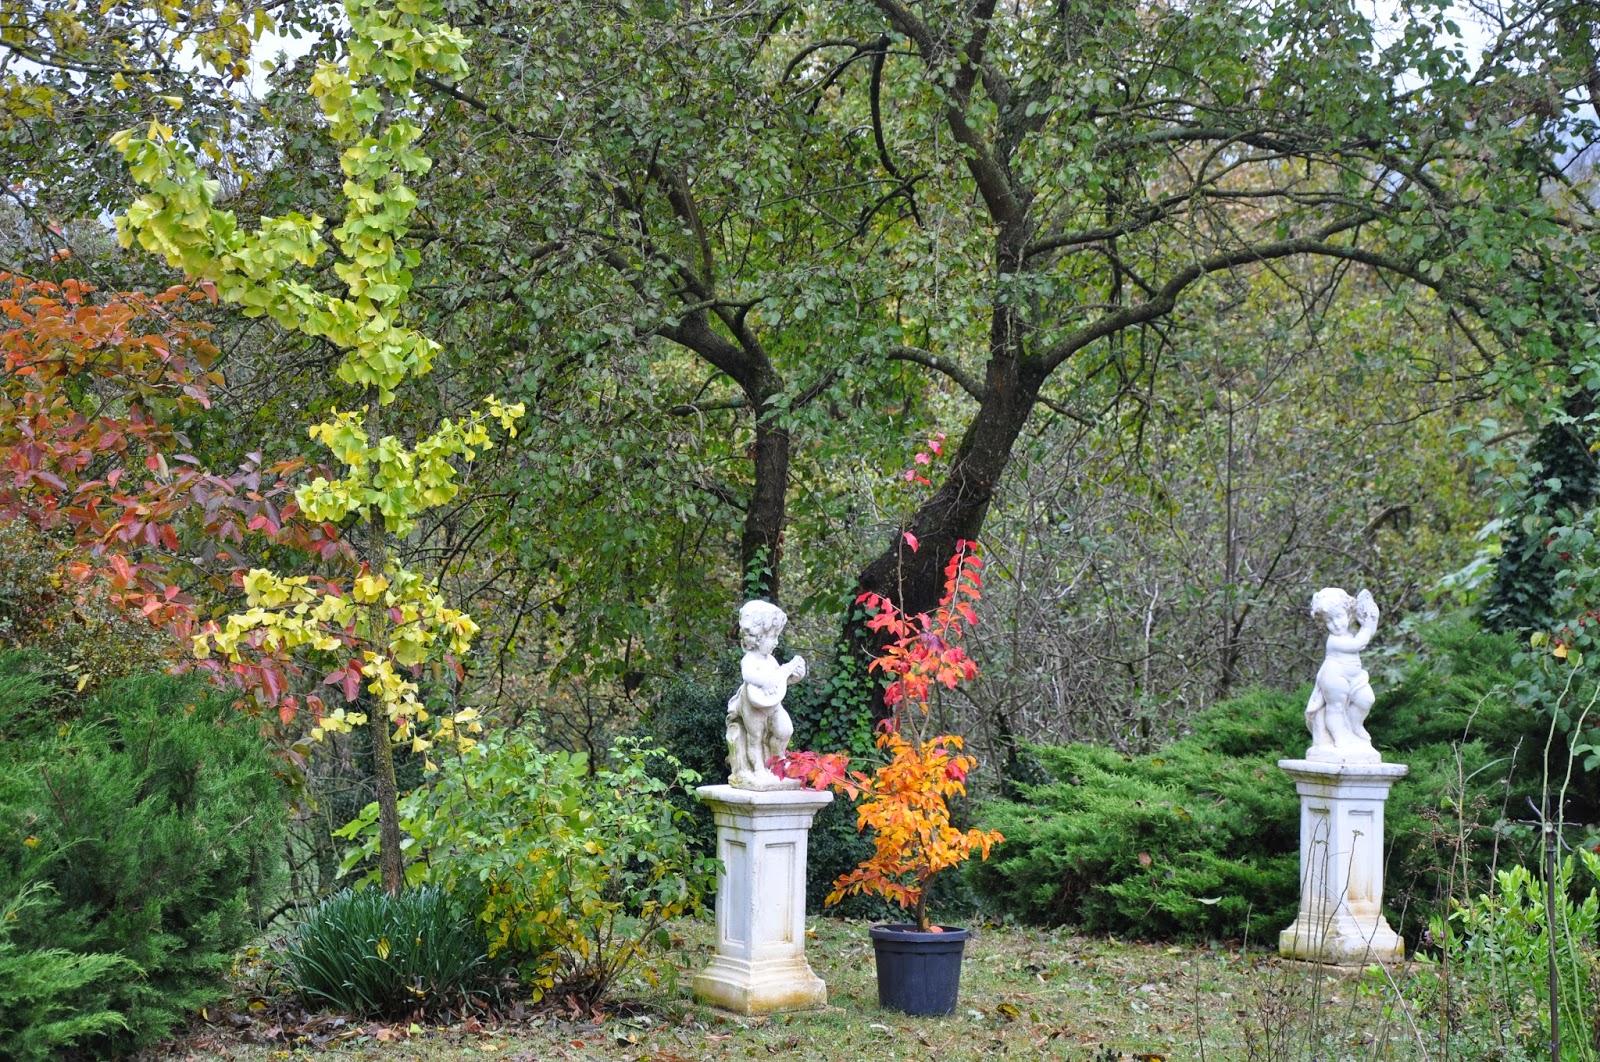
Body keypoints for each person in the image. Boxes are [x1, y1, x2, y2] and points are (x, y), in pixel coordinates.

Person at [725, 599, 807, 789]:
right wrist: (767, 681)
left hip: (773, 707)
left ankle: (777, 763)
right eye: (773, 637)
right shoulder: (749, 659)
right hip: (752, 705)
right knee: (755, 737)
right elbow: (749, 675)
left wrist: (793, 676)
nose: (776, 642)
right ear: (757, 638)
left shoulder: (771, 660)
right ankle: (759, 770)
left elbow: (778, 683)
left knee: (785, 730)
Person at [1304, 587, 1380, 761]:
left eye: (1339, 616)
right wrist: (1367, 628)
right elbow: (1359, 644)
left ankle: (1355, 726)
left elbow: (1366, 635)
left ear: (1348, 614)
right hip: (1334, 676)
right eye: (1329, 620)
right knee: (1336, 707)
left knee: (1366, 699)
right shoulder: (1335, 640)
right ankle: (1339, 737)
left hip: (1355, 677)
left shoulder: (1349, 633)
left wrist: (1371, 622)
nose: (1336, 624)